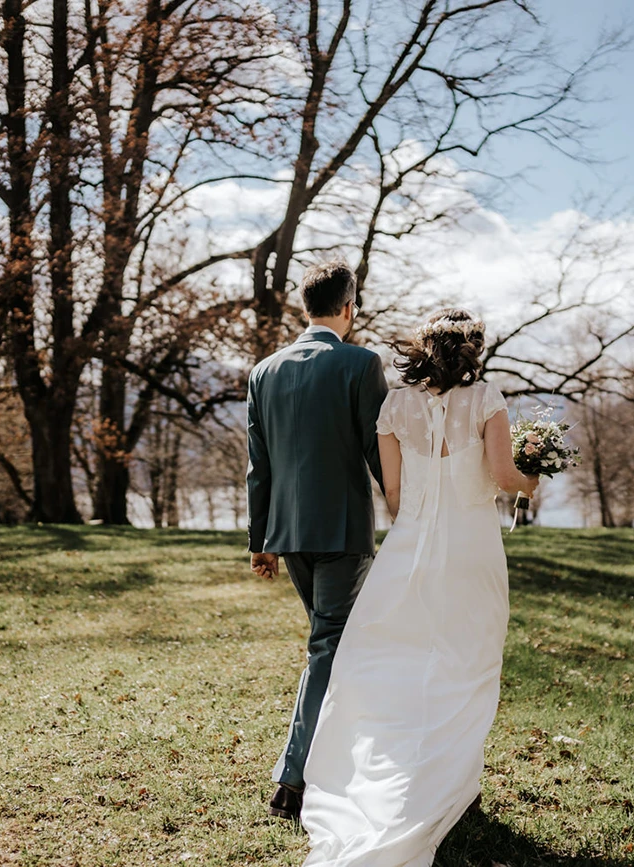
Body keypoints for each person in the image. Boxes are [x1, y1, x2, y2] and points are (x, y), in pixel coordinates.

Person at [298, 307, 539, 866]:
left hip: (408, 549)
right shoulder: (488, 399)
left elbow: (395, 495)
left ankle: (406, 770)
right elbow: (506, 479)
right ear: (472, 350)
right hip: (472, 547)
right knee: (467, 660)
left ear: (423, 350)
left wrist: (418, 523)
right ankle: (456, 780)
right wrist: (533, 477)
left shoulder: (394, 406)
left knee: (395, 659)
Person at [246, 260, 390, 822]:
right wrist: (412, 512)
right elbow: (379, 453)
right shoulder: (361, 364)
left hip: (288, 533)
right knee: (329, 646)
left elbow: (258, 467)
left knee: (335, 644)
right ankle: (293, 778)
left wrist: (260, 540)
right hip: (342, 531)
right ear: (349, 307)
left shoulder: (264, 371)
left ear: (305, 307)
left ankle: (353, 754)